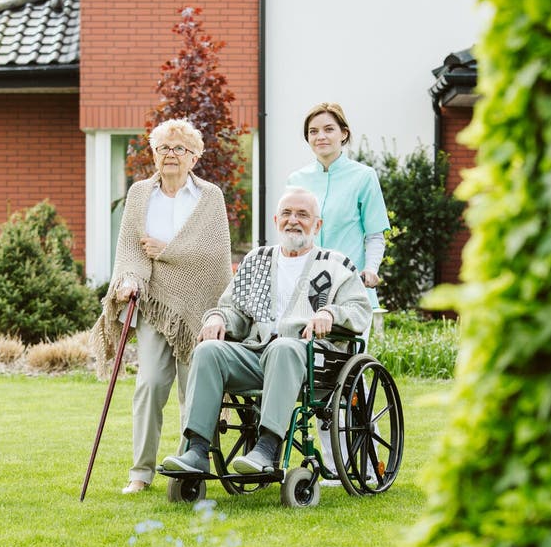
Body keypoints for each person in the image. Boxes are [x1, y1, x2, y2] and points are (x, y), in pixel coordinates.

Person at [162, 188, 372, 476]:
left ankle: (266, 449)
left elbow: (360, 310)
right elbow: (233, 310)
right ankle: (197, 451)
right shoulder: (256, 260)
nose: (293, 220)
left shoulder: (336, 264)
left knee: (284, 346)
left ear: (318, 225)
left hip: (310, 361)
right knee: (209, 350)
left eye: (302, 214)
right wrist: (217, 318)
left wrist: (330, 312)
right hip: (256, 355)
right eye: (286, 213)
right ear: (276, 220)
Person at [90, 118, 232, 494]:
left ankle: (188, 467)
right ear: (153, 154)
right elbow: (130, 250)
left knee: (194, 389)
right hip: (153, 304)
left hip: (199, 309)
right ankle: (141, 472)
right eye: (163, 148)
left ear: (195, 157)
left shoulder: (210, 196)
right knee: (150, 384)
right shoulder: (139, 193)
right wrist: (130, 279)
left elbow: (214, 255)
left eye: (180, 148)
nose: (171, 154)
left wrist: (167, 252)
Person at [287, 102, 390, 481]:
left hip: (350, 295)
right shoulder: (298, 179)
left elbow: (374, 234)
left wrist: (370, 270)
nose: (321, 137)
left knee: (351, 385)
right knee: (316, 385)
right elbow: (291, 233)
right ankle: (333, 466)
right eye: (314, 131)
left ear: (343, 133)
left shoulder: (363, 177)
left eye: (328, 129)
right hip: (308, 295)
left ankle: (368, 461)